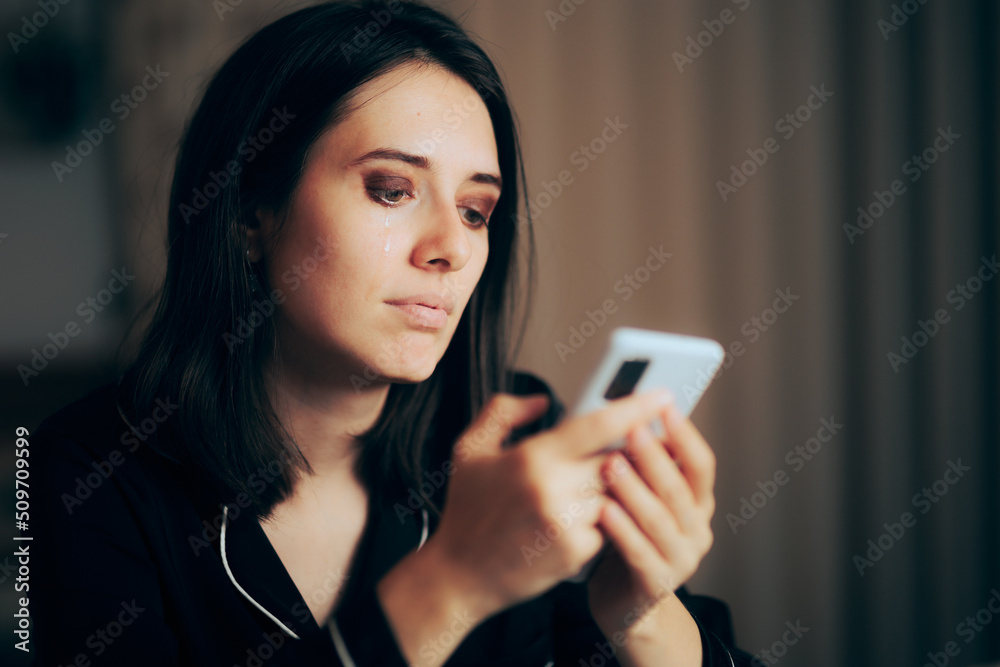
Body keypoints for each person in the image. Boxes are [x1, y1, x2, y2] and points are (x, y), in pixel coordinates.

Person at [31, 1, 758, 665]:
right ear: (251, 215)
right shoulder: (79, 477)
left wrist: (641, 615)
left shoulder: (518, 444)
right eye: (391, 190)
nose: (450, 247)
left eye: (475, 211)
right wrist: (454, 581)